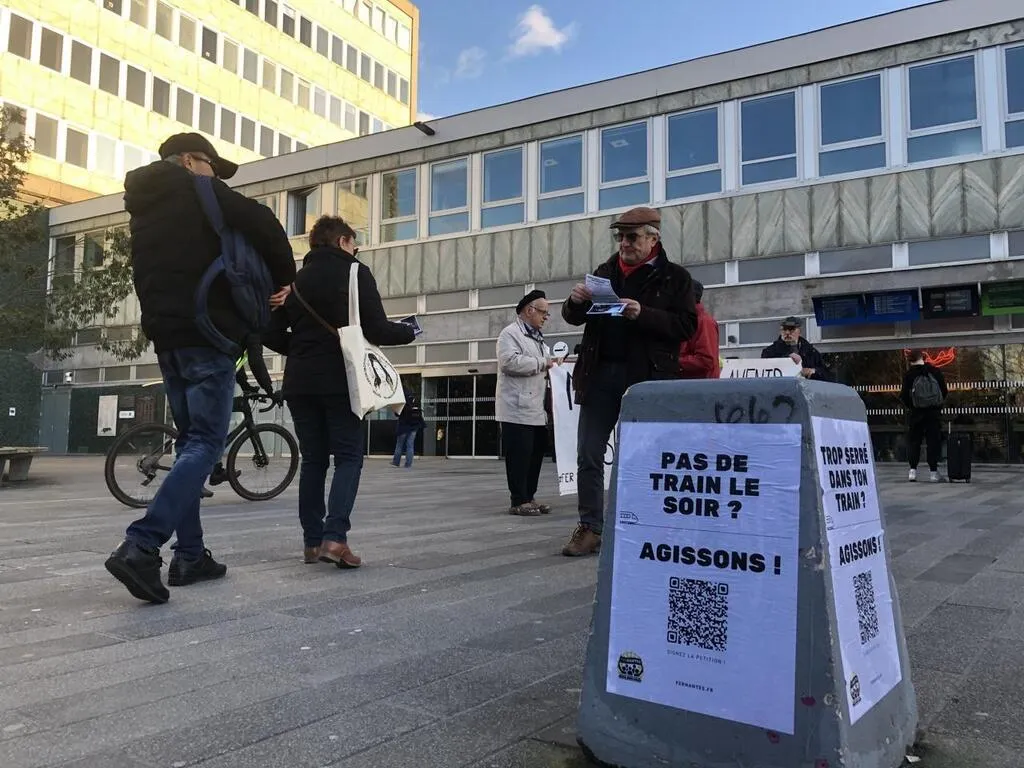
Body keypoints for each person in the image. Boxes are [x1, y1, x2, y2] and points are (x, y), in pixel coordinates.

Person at [105, 133, 295, 605]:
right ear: (190, 160)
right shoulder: (199, 190)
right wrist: (286, 280)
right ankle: (142, 544)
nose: (214, 175)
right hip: (208, 332)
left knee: (191, 443)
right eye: (211, 165)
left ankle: (190, 555)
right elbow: (266, 225)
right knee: (206, 444)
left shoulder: (143, 209)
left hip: (167, 338)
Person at [263, 216, 415, 567]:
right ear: (343, 241)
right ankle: (335, 538)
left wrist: (302, 349)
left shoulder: (295, 283)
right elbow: (376, 329)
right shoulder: (355, 272)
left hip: (300, 382)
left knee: (313, 460)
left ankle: (312, 543)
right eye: (354, 244)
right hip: (340, 381)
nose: (356, 250)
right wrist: (409, 331)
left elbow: (269, 333)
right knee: (348, 457)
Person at [560, 207, 698, 556]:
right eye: (620, 236)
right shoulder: (604, 272)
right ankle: (590, 527)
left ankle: (646, 524)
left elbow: (686, 327)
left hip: (646, 378)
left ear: (653, 239)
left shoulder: (675, 278)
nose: (624, 243)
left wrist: (643, 314)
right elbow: (575, 317)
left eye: (632, 237)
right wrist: (574, 302)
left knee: (645, 455)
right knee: (589, 452)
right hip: (599, 373)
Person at [496, 289, 555, 516]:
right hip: (516, 408)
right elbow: (509, 362)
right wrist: (543, 363)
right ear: (530, 310)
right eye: (543, 312)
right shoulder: (510, 333)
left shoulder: (538, 337)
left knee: (535, 453)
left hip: (536, 409)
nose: (545, 317)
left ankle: (530, 496)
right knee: (519, 456)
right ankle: (518, 499)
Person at [900, 349, 948, 482]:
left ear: (910, 360)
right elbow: (944, 391)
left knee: (914, 441)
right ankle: (933, 472)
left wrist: (913, 406)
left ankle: (912, 471)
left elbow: (904, 395)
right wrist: (936, 405)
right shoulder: (935, 371)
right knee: (933, 441)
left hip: (916, 414)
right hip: (933, 414)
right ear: (923, 358)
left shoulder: (909, 375)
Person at [761, 316, 833, 381]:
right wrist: (787, 355)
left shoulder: (811, 351)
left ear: (799, 331)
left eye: (791, 329)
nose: (787, 332)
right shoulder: (769, 351)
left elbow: (826, 374)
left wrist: (812, 371)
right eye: (784, 329)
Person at [677, 281, 720, 379]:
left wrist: (674, 362)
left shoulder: (704, 322)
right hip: (689, 384)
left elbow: (705, 360)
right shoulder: (685, 321)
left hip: (700, 386)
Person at [392, 391, 425, 468]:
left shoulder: (402, 401)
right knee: (410, 445)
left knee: (399, 444)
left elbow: (397, 414)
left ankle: (396, 462)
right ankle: (408, 464)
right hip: (414, 425)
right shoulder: (414, 399)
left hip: (403, 425)